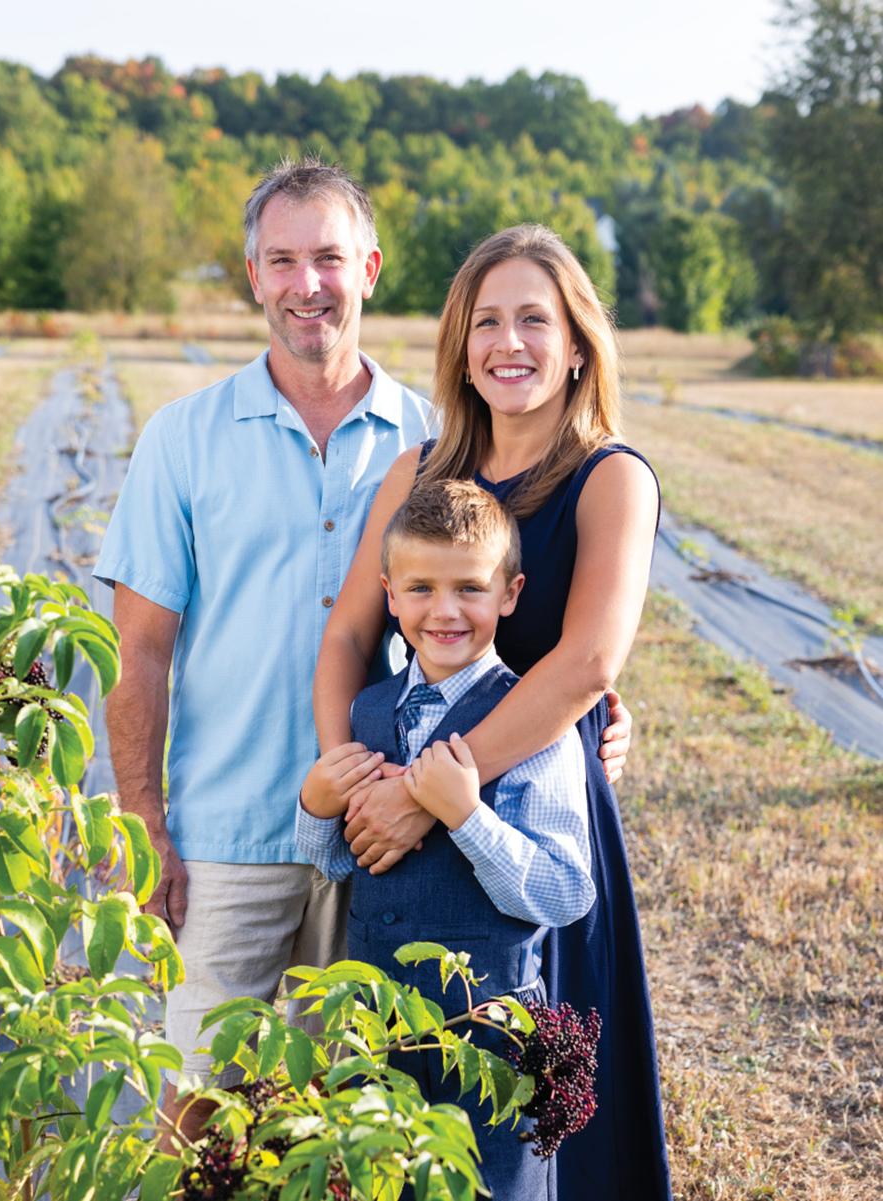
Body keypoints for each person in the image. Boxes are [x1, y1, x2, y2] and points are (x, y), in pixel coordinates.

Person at [93, 158, 632, 1149]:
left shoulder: (432, 442)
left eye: (330, 258)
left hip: (389, 843)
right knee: (197, 1101)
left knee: (342, 1116)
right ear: (253, 274)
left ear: (370, 269)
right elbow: (143, 650)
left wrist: (589, 715)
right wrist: (141, 815)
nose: (308, 283)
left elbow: (526, 633)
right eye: (283, 260)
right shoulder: (186, 438)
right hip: (237, 827)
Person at [312, 225, 671, 1198]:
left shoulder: (610, 477)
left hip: (529, 812)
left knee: (530, 1121)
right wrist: (357, 783)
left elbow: (587, 662)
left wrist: (431, 794)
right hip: (406, 809)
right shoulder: (416, 471)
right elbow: (347, 639)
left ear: (578, 344)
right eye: (486, 322)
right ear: (459, 346)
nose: (508, 343)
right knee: (400, 1108)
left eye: (534, 320)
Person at [297, 478, 595, 1200]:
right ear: (390, 596)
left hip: (490, 1034)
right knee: (379, 1180)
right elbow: (339, 861)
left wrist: (468, 817)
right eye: (421, 588)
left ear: (510, 593)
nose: (445, 610)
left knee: (492, 1186)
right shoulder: (369, 712)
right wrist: (316, 805)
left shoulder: (531, 725)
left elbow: (565, 891)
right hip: (376, 1027)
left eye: (469, 588)